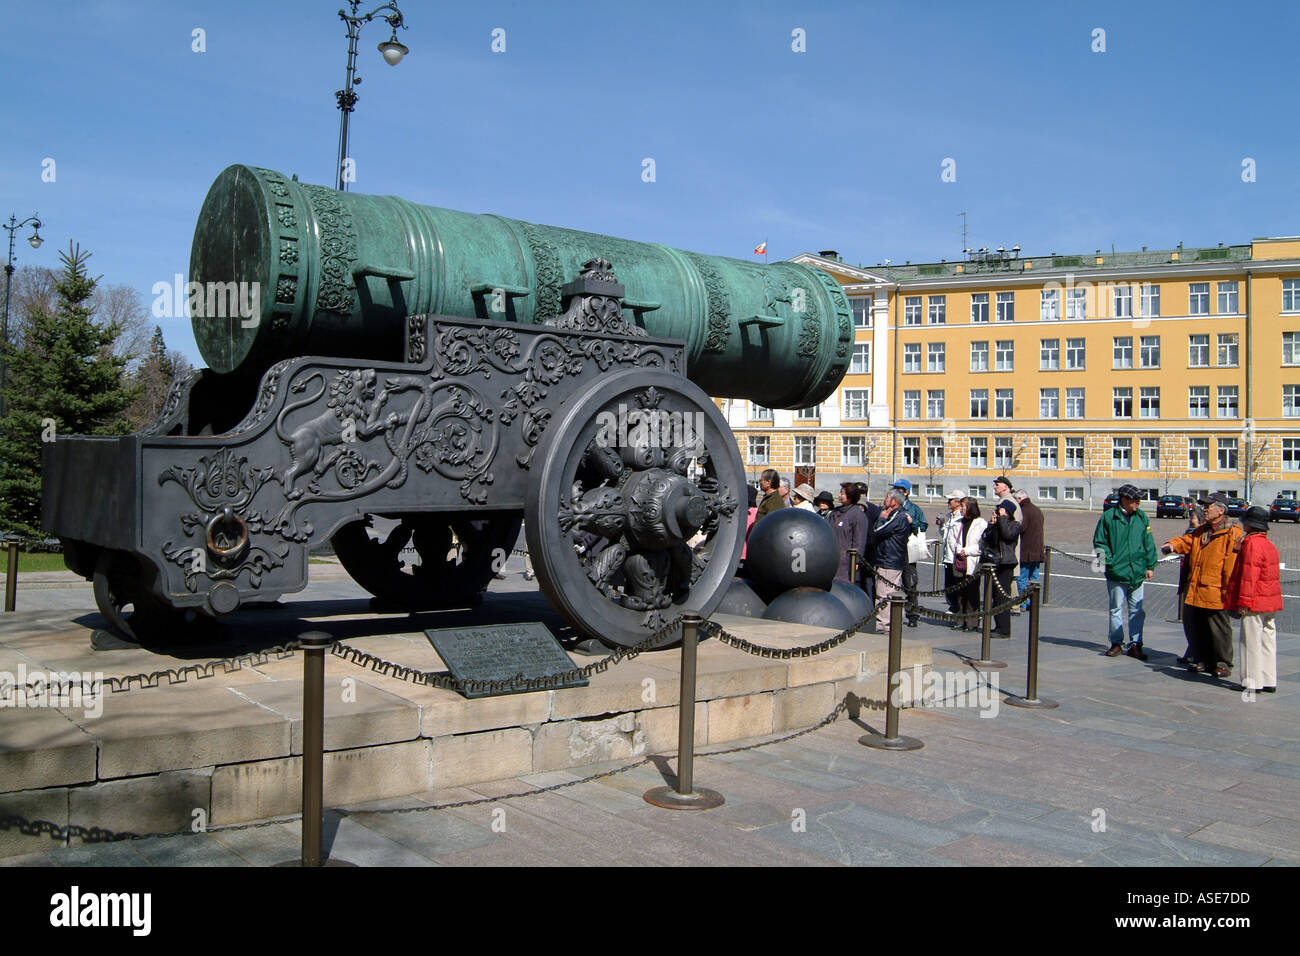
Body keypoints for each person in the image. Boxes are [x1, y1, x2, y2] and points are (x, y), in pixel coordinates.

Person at [1163, 492, 1244, 678]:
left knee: (1218, 630)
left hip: (1216, 591)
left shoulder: (1232, 533)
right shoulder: (1203, 531)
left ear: (1221, 510)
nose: (1204, 509)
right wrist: (1172, 545)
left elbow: (1230, 568)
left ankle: (1222, 662)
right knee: (1195, 627)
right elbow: (1188, 541)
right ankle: (1201, 659)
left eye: (1209, 506)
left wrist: (1227, 592)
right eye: (1204, 506)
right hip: (1195, 588)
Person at [1093, 483, 1159, 660]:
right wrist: (1108, 564)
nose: (1138, 503)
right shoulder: (1109, 517)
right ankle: (1116, 643)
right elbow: (1100, 542)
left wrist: (1150, 565)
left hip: (1137, 572)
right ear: (1124, 500)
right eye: (1135, 500)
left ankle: (1136, 644)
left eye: (1139, 500)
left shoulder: (1142, 517)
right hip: (1116, 572)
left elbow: (1148, 542)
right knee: (1115, 608)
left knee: (1137, 610)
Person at [1224, 506, 1281, 693]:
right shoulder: (1269, 545)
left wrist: (1243, 602)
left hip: (1254, 601)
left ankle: (1251, 682)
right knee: (1268, 639)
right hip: (1270, 601)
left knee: (1250, 641)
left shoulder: (1252, 545)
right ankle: (1268, 679)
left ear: (1249, 524)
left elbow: (1249, 576)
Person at [869, 490, 911, 632]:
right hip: (890, 559)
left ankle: (884, 624)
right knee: (890, 591)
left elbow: (878, 530)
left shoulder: (897, 517)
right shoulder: (897, 516)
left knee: (884, 593)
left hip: (889, 560)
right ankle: (892, 622)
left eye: (887, 497)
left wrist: (881, 518)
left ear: (894, 502)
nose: (884, 499)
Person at [889, 477, 928, 628]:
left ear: (905, 492)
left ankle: (912, 615)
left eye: (898, 489)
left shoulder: (914, 508)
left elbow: (923, 526)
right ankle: (889, 615)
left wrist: (913, 522)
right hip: (893, 549)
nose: (894, 492)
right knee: (890, 583)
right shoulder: (889, 505)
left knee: (910, 583)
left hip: (907, 550)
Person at [981, 499, 1022, 637]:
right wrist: (991, 524)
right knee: (994, 597)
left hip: (1006, 564)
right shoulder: (998, 524)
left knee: (1002, 598)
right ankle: (998, 625)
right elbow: (986, 538)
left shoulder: (1015, 525)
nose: (999, 513)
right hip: (994, 563)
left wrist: (1003, 518)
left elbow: (1007, 535)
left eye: (1002, 510)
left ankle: (1004, 629)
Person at [955, 497, 987, 631]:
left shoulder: (981, 524)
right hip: (958, 560)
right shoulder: (958, 521)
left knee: (972, 592)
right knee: (959, 592)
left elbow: (981, 545)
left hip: (972, 561)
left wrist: (966, 551)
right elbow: (952, 538)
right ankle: (961, 619)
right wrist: (957, 549)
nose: (960, 508)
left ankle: (972, 622)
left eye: (963, 506)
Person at [1013, 489, 1045, 610]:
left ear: (1020, 499)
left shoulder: (1023, 510)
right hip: (1037, 550)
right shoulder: (1037, 509)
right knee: (1034, 578)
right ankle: (1034, 602)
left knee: (1022, 578)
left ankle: (1024, 602)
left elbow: (1021, 529)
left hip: (1026, 551)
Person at [833, 483, 870, 585]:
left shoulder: (857, 515)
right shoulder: (836, 512)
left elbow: (859, 540)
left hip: (846, 562)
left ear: (850, 496)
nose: (839, 495)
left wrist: (856, 561)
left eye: (842, 493)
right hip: (833, 559)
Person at [938, 489, 968, 617]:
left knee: (956, 585)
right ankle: (953, 605)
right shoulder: (950, 516)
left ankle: (957, 607)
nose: (948, 502)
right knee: (949, 584)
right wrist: (941, 525)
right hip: (947, 556)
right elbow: (946, 535)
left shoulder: (961, 518)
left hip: (955, 557)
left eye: (950, 500)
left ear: (957, 502)